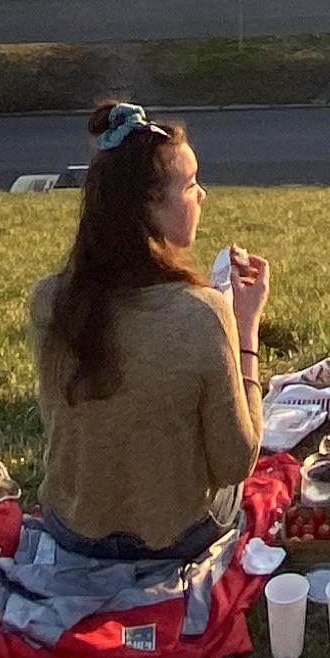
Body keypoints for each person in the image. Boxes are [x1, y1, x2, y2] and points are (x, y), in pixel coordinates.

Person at [23, 100, 268, 558]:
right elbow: (236, 463)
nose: (203, 196)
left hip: (71, 529)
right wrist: (245, 329)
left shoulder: (49, 300)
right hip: (171, 540)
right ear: (149, 206)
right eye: (191, 184)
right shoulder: (202, 314)